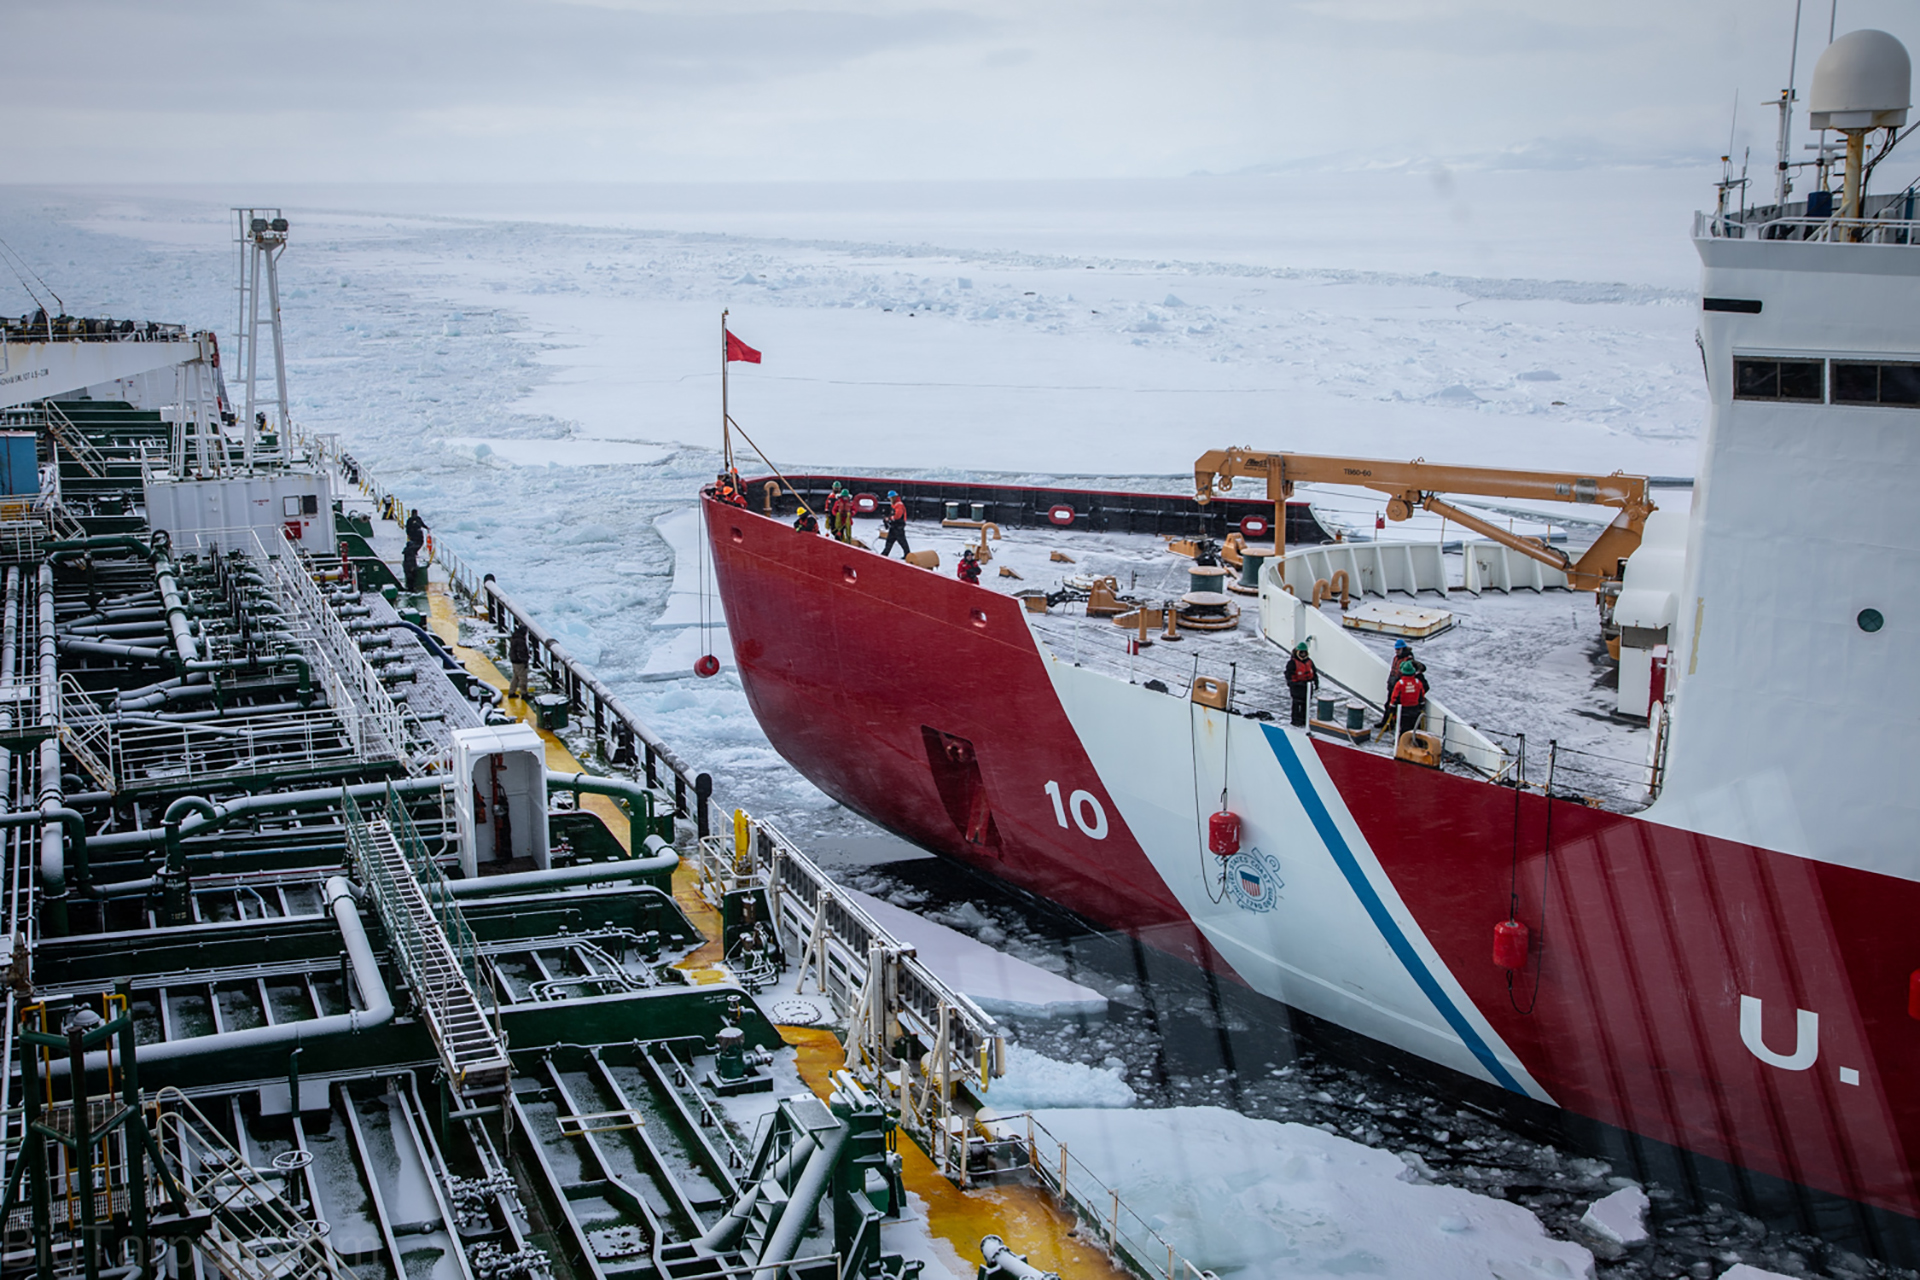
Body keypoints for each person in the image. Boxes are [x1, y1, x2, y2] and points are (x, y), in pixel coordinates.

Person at [1385, 659, 1426, 742]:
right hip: (1415, 709)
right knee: (1415, 728)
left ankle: (1402, 743)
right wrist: (1421, 705)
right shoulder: (1417, 682)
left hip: (1403, 709)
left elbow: (1394, 697)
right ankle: (1417, 743)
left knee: (1404, 729)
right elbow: (1421, 695)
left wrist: (1391, 708)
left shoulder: (1400, 683)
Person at [1284, 643, 1319, 728]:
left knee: (1306, 705)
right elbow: (1288, 675)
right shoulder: (1292, 663)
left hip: (1307, 686)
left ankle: (1304, 720)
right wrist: (1292, 683)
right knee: (1296, 704)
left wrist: (1316, 682)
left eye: (1304, 652)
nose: (1303, 654)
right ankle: (1295, 721)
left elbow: (1314, 672)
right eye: (1301, 652)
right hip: (1297, 687)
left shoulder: (1309, 662)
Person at [1384, 640, 1428, 705]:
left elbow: (1421, 667)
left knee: (1394, 705)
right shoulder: (1396, 658)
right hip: (1393, 686)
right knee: (1389, 704)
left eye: (1398, 649)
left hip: (1400, 688)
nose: (1396, 651)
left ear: (1403, 649)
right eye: (1396, 649)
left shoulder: (1408, 660)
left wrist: (1417, 673)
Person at [880, 490, 911, 557]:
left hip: (898, 526)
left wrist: (889, 518)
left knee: (900, 541)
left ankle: (907, 554)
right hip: (895, 526)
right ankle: (885, 554)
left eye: (890, 498)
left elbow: (897, 516)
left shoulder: (899, 505)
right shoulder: (895, 504)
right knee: (892, 541)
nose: (889, 499)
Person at [508, 624, 531, 699]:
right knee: (522, 678)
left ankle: (511, 692)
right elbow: (521, 652)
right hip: (519, 662)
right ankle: (524, 693)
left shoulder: (515, 637)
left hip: (514, 660)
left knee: (516, 677)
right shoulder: (520, 640)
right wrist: (525, 660)